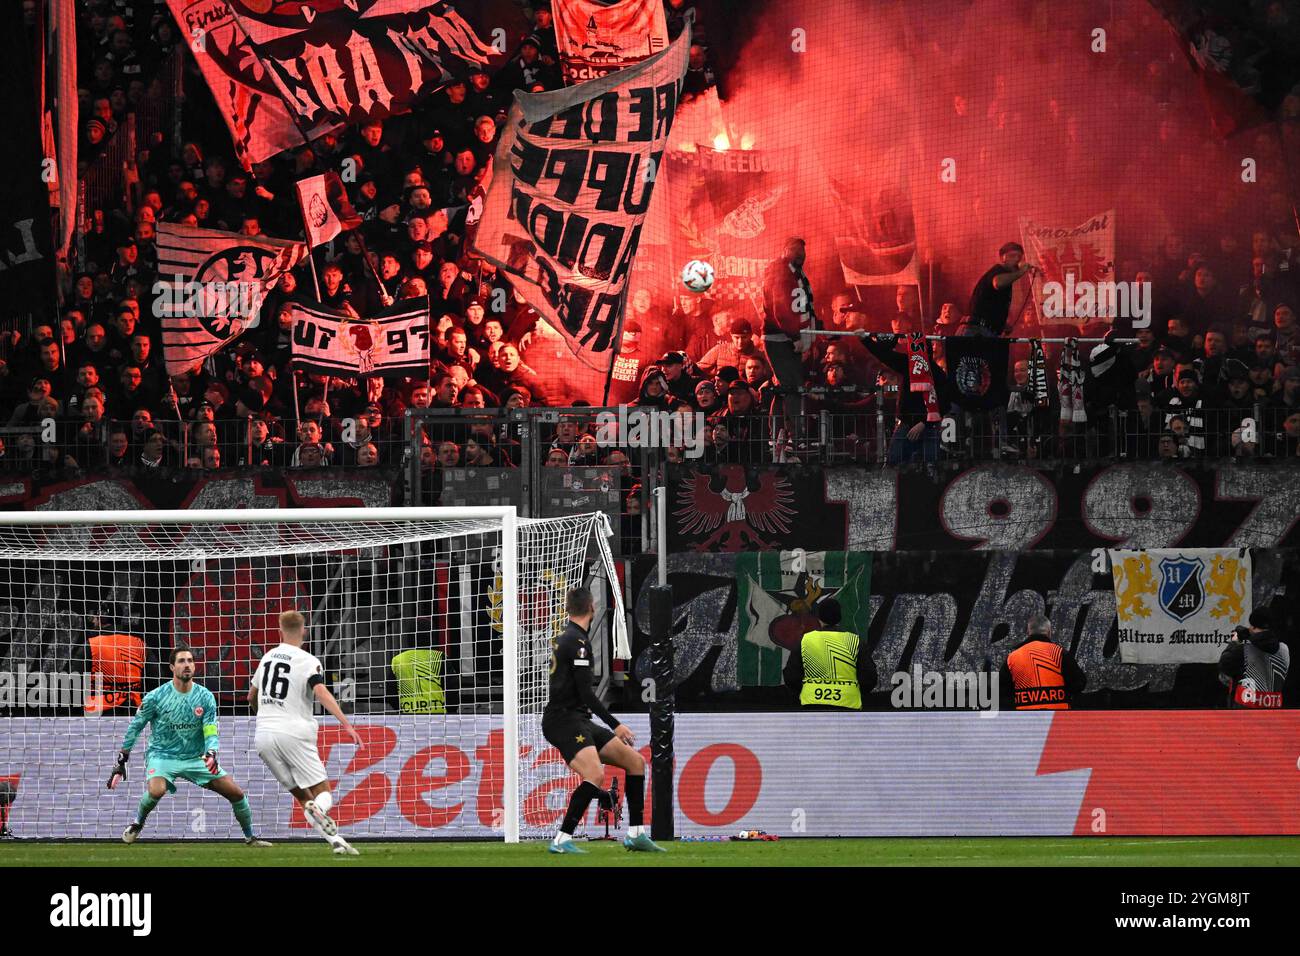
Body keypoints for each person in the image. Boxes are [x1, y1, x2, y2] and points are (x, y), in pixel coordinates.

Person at [108, 645, 271, 846]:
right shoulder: (156, 697)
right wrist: (122, 759)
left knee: (236, 793)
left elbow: (210, 729)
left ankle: (250, 838)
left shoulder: (205, 697)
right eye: (181, 661)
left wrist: (212, 751)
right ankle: (137, 823)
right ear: (171, 667)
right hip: (163, 756)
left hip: (196, 758)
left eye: (190, 661)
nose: (187, 665)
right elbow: (135, 727)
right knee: (156, 791)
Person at [543, 587, 663, 854]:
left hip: (577, 719)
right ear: (592, 607)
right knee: (595, 774)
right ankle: (562, 839)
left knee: (635, 762)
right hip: (563, 720)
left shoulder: (564, 635)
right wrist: (615, 724)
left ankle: (636, 834)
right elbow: (587, 693)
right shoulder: (578, 643)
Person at [247, 610, 363, 855]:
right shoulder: (308, 660)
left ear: (280, 630)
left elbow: (251, 696)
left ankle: (336, 842)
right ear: (304, 631)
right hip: (294, 733)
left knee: (304, 799)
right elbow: (320, 692)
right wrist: (346, 724)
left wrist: (264, 714)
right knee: (323, 794)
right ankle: (321, 812)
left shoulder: (267, 658)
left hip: (264, 736)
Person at [761, 237, 816, 445]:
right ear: (784, 250)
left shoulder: (794, 272)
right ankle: (795, 437)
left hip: (784, 338)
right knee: (792, 387)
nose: (800, 254)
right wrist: (796, 337)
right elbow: (782, 311)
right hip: (780, 339)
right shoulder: (781, 273)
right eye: (794, 249)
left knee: (784, 386)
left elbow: (803, 307)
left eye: (802, 250)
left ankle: (778, 436)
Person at [783, 599, 877, 710]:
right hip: (847, 706)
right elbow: (869, 677)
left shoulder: (805, 641)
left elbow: (791, 676)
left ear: (819, 618)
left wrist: (804, 691)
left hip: (813, 705)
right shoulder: (855, 641)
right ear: (840, 618)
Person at [999, 614, 1087, 710]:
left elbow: (1001, 690)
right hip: (1058, 717)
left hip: (1025, 719)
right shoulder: (1060, 653)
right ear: (1049, 632)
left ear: (1028, 631)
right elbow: (1079, 683)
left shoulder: (1013, 657)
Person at [1219, 607, 1290, 708]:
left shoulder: (1245, 649)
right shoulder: (1284, 649)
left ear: (1252, 627)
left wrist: (1235, 642)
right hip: (1273, 711)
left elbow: (1224, 665)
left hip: (1245, 713)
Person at [967, 241, 1037, 336]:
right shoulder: (998, 270)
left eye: (1019, 257)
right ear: (1002, 258)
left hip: (985, 329)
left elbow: (990, 306)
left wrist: (1002, 324)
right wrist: (1021, 272)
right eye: (1012, 256)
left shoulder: (1006, 276)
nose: (1017, 259)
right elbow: (998, 282)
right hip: (980, 331)